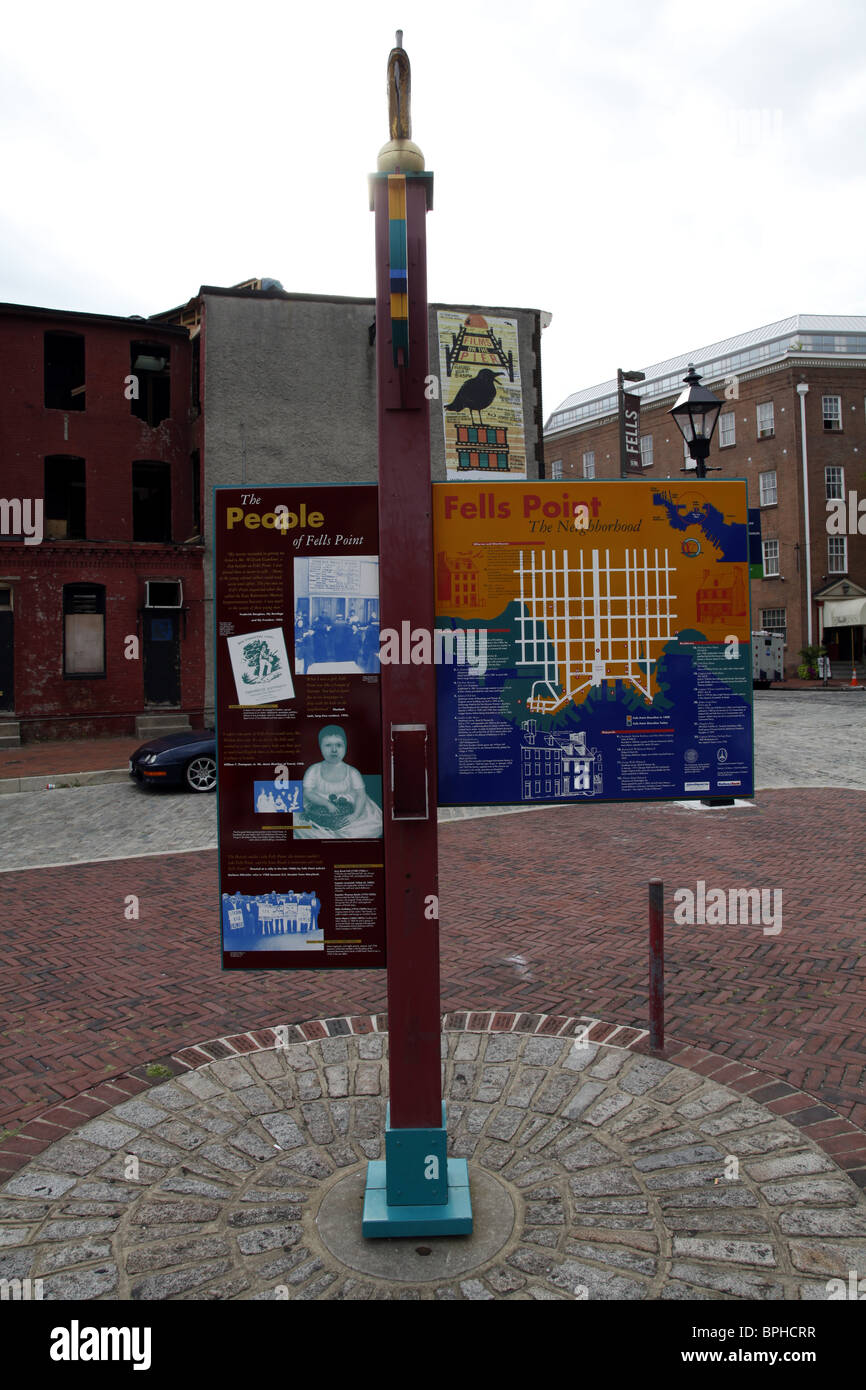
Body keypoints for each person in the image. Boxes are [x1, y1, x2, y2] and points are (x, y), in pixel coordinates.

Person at [294, 725, 382, 839]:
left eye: (339, 745)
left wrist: (355, 815)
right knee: (298, 825)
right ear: (320, 747)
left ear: (345, 747)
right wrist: (327, 804)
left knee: (368, 827)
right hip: (316, 806)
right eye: (328, 745)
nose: (334, 750)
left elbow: (361, 795)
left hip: (350, 809)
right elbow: (308, 792)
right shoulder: (313, 770)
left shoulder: (352, 772)